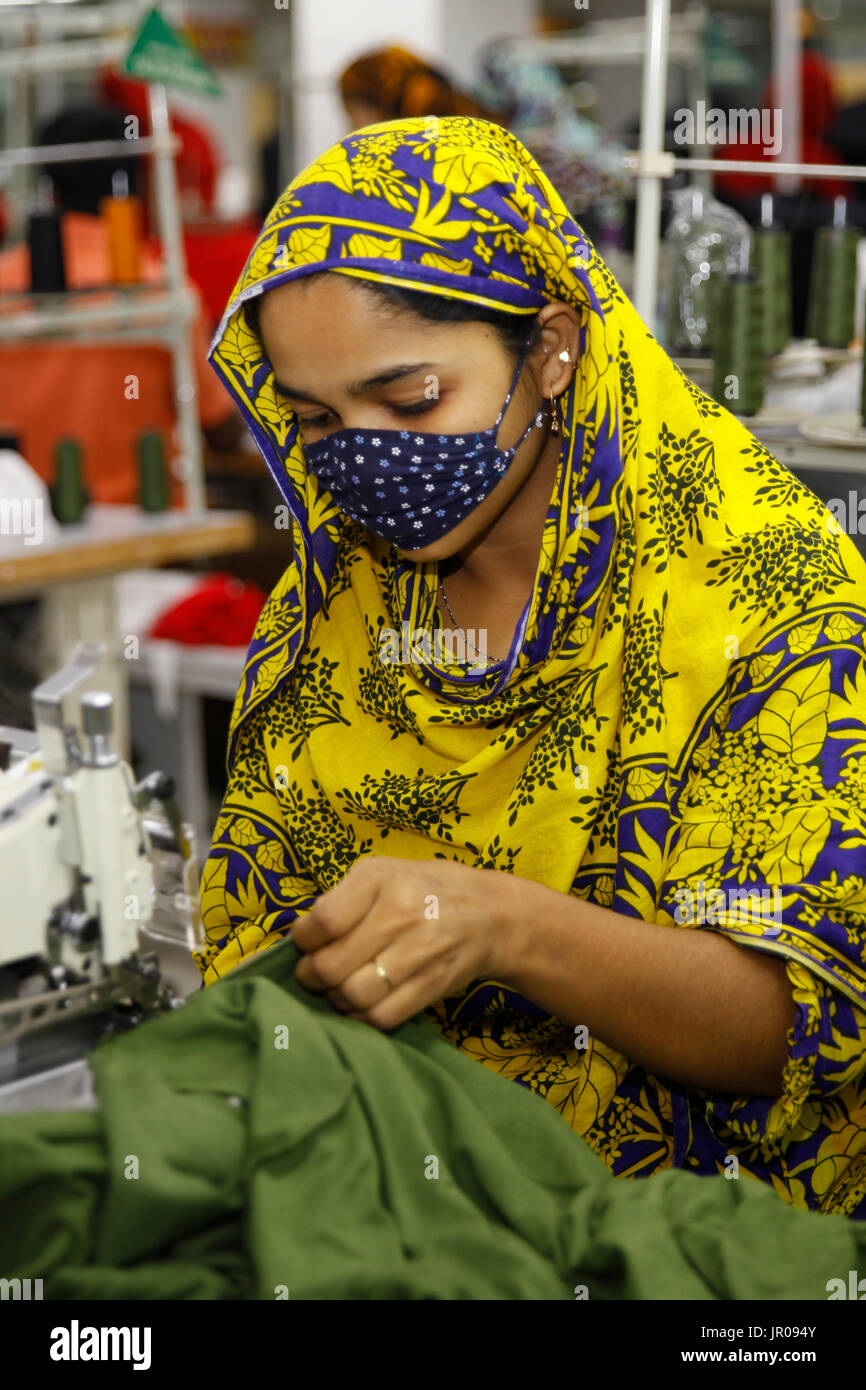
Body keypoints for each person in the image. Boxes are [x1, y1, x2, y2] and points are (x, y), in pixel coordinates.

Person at [194, 115, 866, 1218]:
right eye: (317, 421)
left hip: (690, 1244)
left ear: (549, 349)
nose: (367, 454)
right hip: (411, 1211)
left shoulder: (767, 597)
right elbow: (262, 931)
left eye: (408, 402)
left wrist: (502, 925)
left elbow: (789, 1028)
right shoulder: (336, 603)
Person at [0, 104, 243, 503]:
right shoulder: (161, 291)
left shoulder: (6, 285)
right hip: (144, 533)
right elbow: (220, 431)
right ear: (135, 186)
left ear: (50, 187)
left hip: (24, 530)